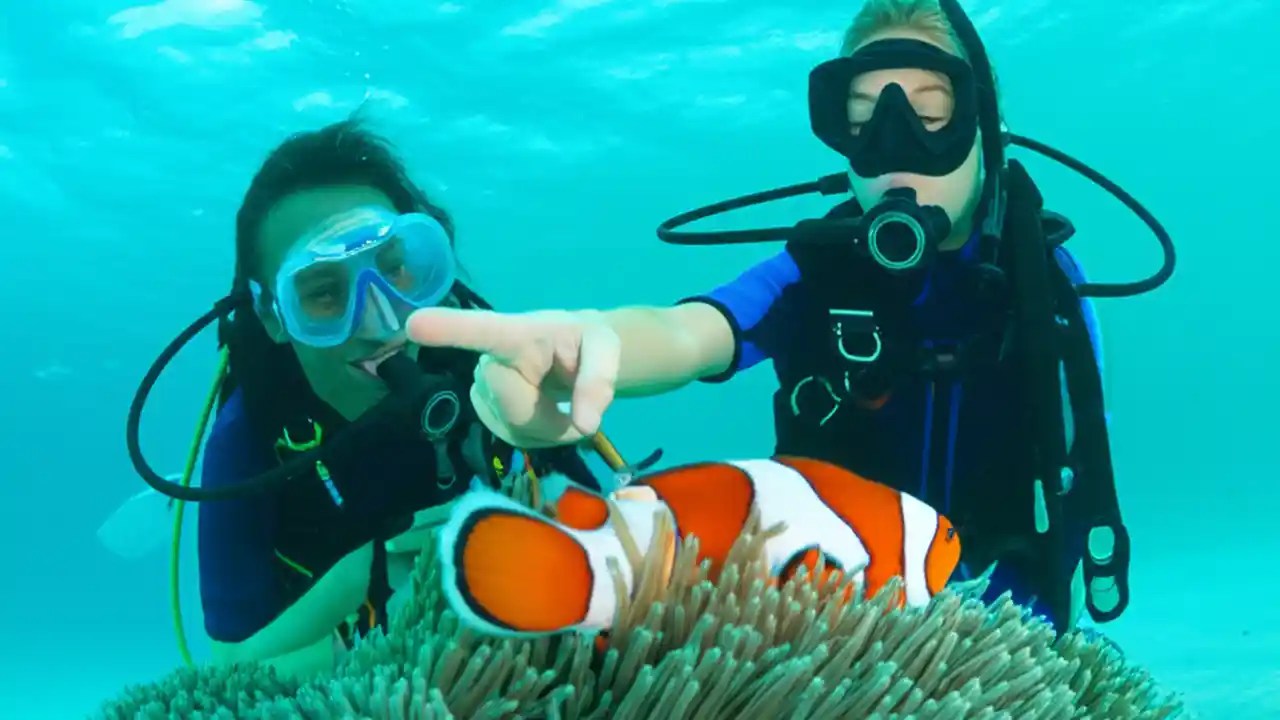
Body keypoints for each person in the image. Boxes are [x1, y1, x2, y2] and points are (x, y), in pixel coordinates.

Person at [405, 0, 1174, 637]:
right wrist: (592, 346)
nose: (894, 143)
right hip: (813, 621)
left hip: (1006, 625)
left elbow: (1077, 463)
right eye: (863, 115)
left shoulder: (1044, 285)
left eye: (931, 109)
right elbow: (686, 333)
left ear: (985, 124)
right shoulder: (815, 271)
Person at [133, 117, 605, 678]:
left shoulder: (489, 368)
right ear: (274, 317)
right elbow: (228, 668)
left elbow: (607, 533)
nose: (382, 323)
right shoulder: (249, 434)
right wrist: (370, 582)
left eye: (395, 270)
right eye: (325, 293)